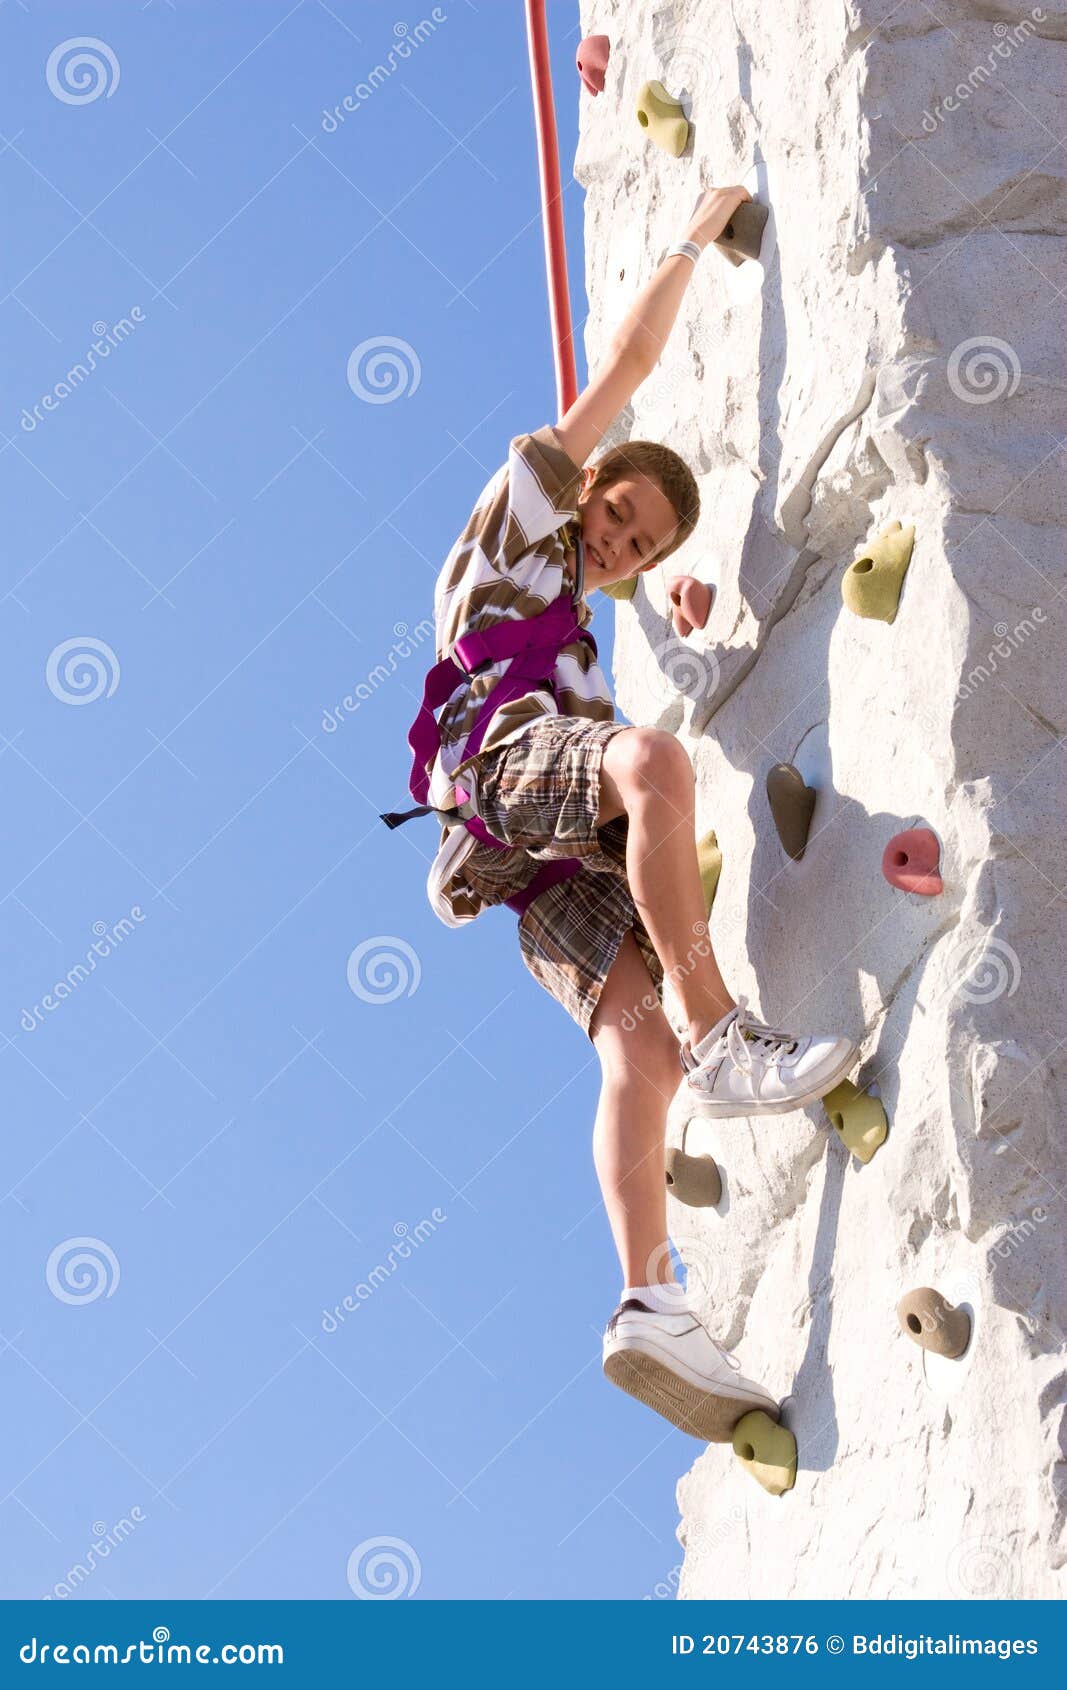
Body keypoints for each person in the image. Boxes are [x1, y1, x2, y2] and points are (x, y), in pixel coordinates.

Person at [417, 187, 858, 1442]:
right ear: (588, 482)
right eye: (615, 512)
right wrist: (693, 234)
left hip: (526, 852)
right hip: (505, 764)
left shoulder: (583, 635)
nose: (614, 540)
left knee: (636, 1050)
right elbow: (629, 363)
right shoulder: (523, 519)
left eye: (635, 544)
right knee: (653, 764)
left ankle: (649, 1299)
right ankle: (724, 1028)